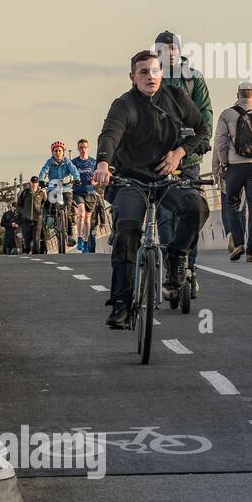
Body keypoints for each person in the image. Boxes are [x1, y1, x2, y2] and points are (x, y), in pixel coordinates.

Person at [94, 50, 210, 329]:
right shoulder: (123, 105)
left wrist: (179, 153)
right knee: (127, 231)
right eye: (143, 72)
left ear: (162, 73)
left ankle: (177, 256)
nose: (150, 76)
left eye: (155, 70)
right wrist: (103, 163)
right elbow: (110, 134)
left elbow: (202, 130)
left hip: (166, 180)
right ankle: (121, 305)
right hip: (131, 181)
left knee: (196, 207)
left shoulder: (175, 97)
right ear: (133, 77)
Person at [153, 30, 212, 293]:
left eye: (172, 49)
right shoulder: (150, 78)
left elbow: (205, 113)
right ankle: (170, 268)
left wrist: (200, 140)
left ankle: (190, 266)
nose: (169, 54)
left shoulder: (193, 79)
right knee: (165, 216)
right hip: (158, 160)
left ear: (178, 51)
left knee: (192, 210)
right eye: (163, 50)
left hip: (188, 158)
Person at [212, 80, 252, 263]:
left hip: (234, 167)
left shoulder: (227, 114)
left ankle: (238, 243)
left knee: (231, 204)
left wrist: (224, 164)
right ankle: (251, 251)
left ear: (237, 95)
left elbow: (220, 143)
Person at [39, 142, 82, 249]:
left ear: (63, 152)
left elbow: (73, 170)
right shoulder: (49, 162)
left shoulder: (67, 161)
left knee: (67, 209)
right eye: (55, 151)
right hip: (53, 188)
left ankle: (70, 235)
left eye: (60, 151)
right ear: (52, 152)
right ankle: (50, 217)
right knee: (49, 203)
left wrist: (77, 178)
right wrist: (41, 180)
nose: (58, 153)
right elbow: (44, 171)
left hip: (66, 188)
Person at [72, 139, 99, 252]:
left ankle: (86, 242)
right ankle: (79, 238)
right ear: (78, 149)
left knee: (88, 219)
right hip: (78, 192)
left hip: (90, 192)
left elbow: (98, 177)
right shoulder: (74, 162)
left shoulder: (94, 162)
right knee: (81, 213)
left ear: (88, 148)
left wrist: (95, 181)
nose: (83, 150)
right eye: (81, 148)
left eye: (85, 147)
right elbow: (68, 174)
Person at [17, 177, 45, 255]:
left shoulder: (42, 193)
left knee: (36, 238)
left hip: (37, 219)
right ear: (30, 183)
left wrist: (41, 214)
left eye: (35, 182)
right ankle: (27, 250)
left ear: (38, 183)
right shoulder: (25, 193)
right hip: (26, 219)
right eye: (32, 182)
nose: (34, 184)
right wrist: (23, 212)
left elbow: (45, 204)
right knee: (26, 238)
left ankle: (36, 253)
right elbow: (19, 205)